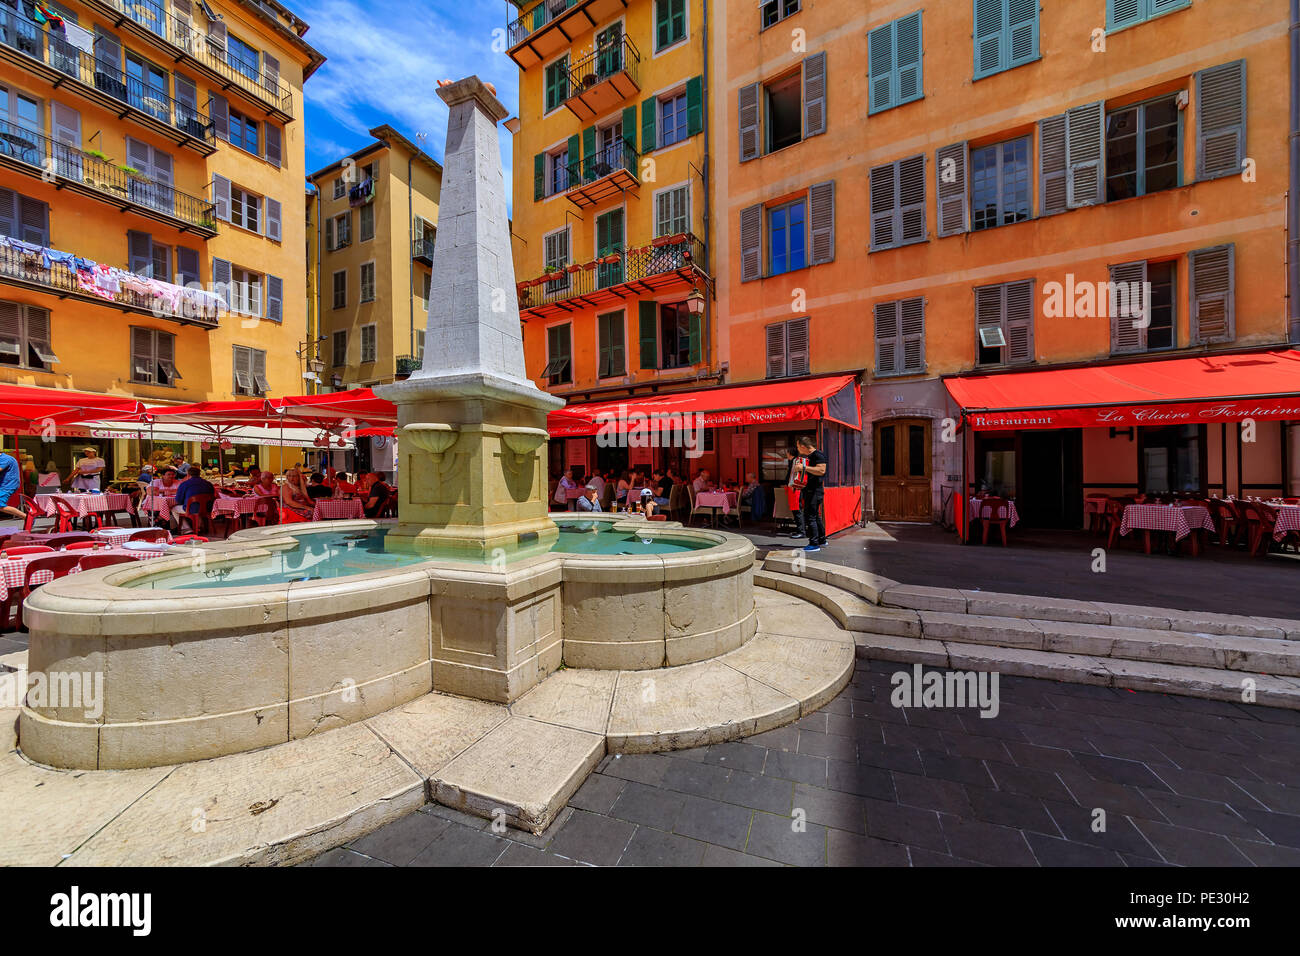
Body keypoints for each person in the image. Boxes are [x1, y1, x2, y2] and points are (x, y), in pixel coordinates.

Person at [792, 435, 828, 552]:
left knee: (810, 517)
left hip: (815, 491)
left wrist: (803, 468)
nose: (798, 450)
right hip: (810, 490)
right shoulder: (810, 457)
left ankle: (814, 544)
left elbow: (822, 470)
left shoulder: (818, 455)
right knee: (815, 516)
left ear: (803, 446)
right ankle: (822, 540)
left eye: (798, 447)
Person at [170, 466, 215, 532]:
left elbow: (178, 500)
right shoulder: (208, 483)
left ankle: (186, 528)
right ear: (199, 474)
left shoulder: (185, 484)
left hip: (191, 509)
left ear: (188, 475)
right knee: (197, 507)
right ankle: (200, 526)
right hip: (208, 508)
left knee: (173, 509)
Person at [782, 448, 807, 539]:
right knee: (796, 510)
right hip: (795, 488)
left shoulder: (794, 462)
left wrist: (786, 484)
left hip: (795, 488)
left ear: (789, 453)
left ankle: (801, 531)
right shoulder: (795, 461)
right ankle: (799, 530)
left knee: (797, 510)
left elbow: (790, 475)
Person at [0, 452, 25, 518]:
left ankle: (26, 516)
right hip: (5, 485)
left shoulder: (5, 458)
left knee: (0, 505)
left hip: (7, 486)